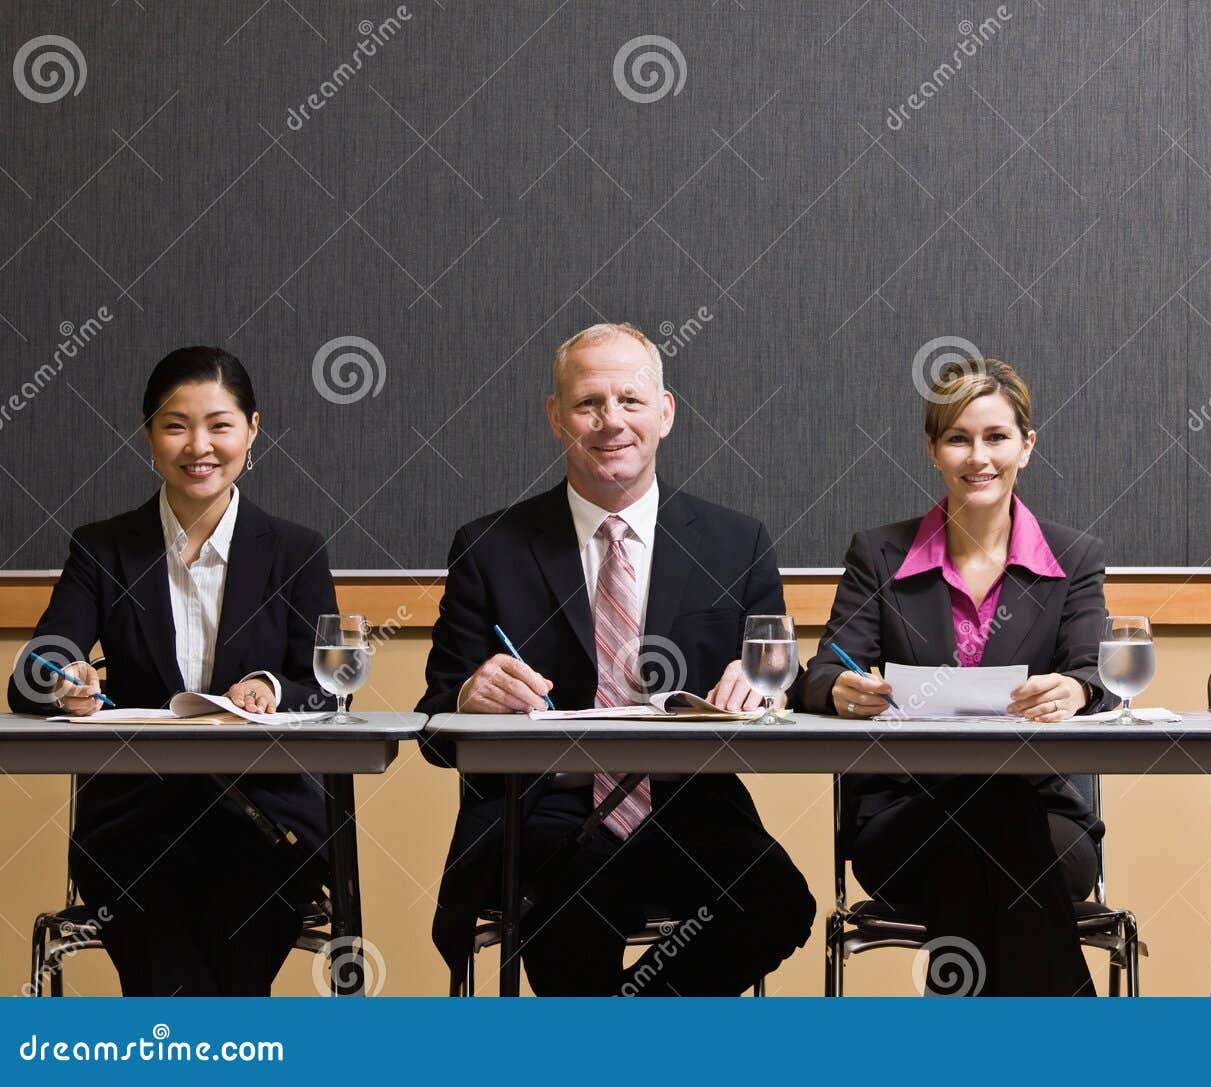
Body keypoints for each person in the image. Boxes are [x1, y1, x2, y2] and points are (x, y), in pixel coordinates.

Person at [417, 321, 814, 995]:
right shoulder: (490, 546)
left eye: (630, 401)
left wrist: (764, 682)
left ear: (664, 413)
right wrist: (466, 698)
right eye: (588, 403)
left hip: (690, 808)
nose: (611, 422)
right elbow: (434, 728)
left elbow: (791, 687)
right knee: (570, 892)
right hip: (543, 810)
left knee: (778, 899)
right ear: (555, 416)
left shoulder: (735, 542)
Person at [6, 345, 336, 996]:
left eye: (219, 423)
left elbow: (326, 684)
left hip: (266, 822)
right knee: (164, 959)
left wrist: (270, 687)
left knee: (234, 942)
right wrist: (64, 673)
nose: (199, 445)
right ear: (148, 433)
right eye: (175, 424)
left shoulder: (296, 550)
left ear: (253, 430)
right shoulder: (103, 548)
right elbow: (33, 670)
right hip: (136, 822)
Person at [800, 358, 1110, 996]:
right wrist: (838, 687)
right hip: (904, 819)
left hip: (1046, 817)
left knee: (992, 815)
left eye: (996, 437)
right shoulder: (878, 554)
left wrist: (1075, 690)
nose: (979, 457)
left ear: (1027, 445)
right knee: (986, 817)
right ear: (932, 451)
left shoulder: (1074, 557)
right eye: (958, 438)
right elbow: (821, 671)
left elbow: (1094, 674)